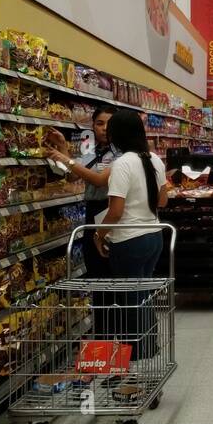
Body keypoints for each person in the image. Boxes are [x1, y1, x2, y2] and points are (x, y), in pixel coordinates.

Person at [96, 110, 169, 360]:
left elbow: (115, 212)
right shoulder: (155, 160)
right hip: (154, 237)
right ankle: (149, 347)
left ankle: (136, 354)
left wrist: (98, 234)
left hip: (128, 240)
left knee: (129, 300)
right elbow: (163, 200)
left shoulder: (122, 164)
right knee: (144, 295)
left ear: (117, 135)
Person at [45, 105, 119, 279]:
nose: (105, 128)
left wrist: (67, 160)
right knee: (93, 264)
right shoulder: (89, 147)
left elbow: (99, 180)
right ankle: (99, 304)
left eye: (110, 124)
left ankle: (112, 305)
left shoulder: (121, 151)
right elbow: (72, 177)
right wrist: (63, 147)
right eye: (100, 123)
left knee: (110, 267)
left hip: (111, 211)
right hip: (92, 211)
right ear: (93, 126)